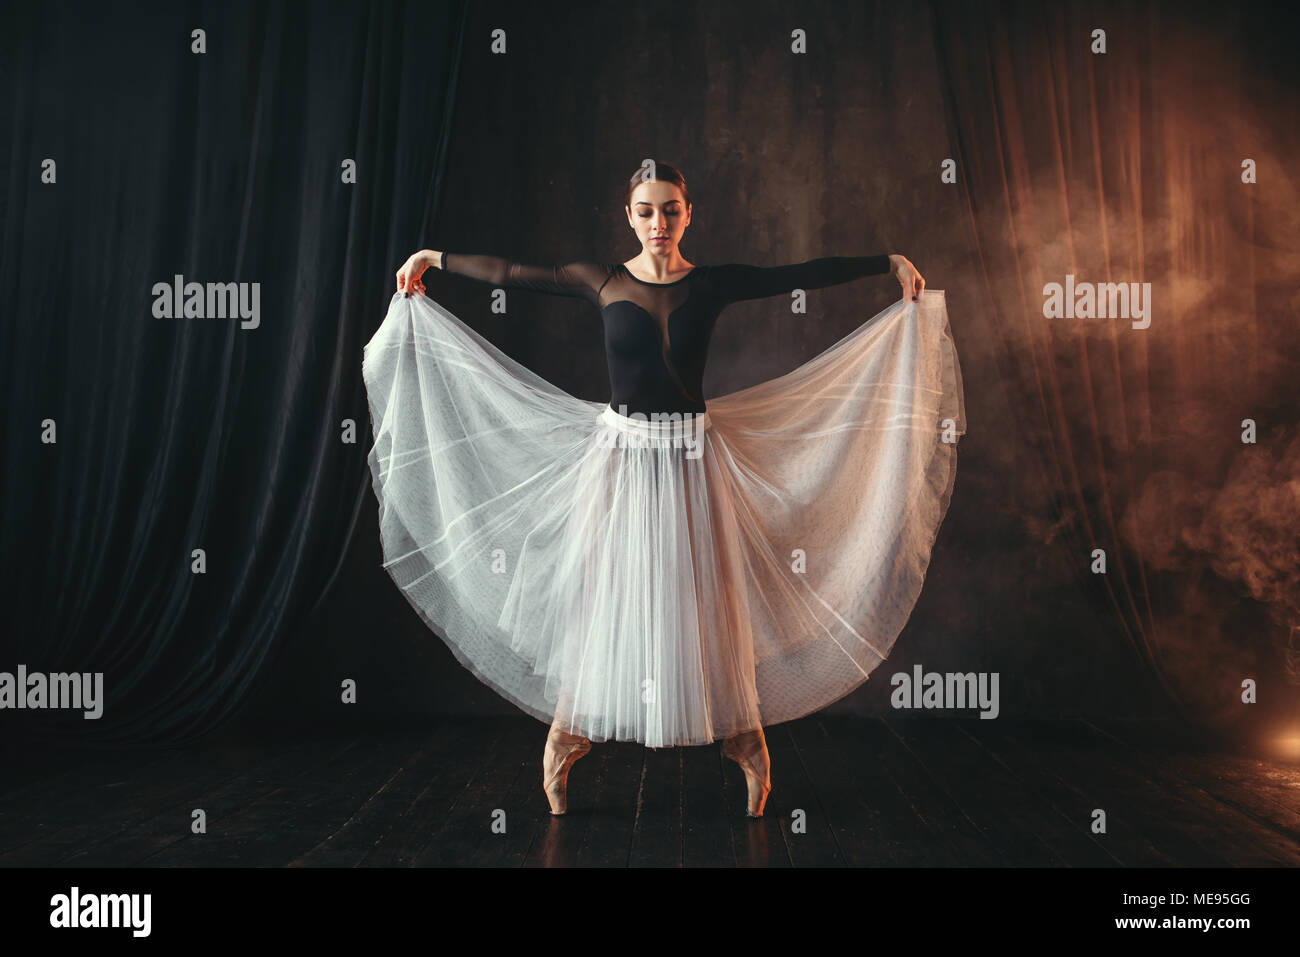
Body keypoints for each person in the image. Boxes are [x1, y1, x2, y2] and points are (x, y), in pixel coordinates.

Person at [365, 161, 965, 818]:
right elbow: (511, 273)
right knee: (605, 595)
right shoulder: (600, 279)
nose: (659, 223)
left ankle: (745, 739)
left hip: (689, 460)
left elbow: (800, 274)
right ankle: (567, 734)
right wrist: (433, 257)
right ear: (629, 215)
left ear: (689, 213)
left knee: (707, 598)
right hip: (619, 459)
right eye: (647, 211)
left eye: (671, 210)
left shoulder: (711, 284)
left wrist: (891, 260)